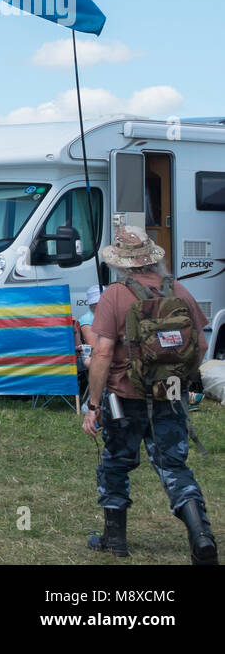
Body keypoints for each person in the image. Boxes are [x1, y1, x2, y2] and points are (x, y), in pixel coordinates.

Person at [83, 225, 216, 564]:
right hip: (170, 396)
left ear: (123, 264)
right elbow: (200, 345)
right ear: (152, 260)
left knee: (115, 465)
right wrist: (178, 380)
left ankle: (115, 540)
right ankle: (201, 537)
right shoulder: (179, 291)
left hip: (124, 396)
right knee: (174, 466)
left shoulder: (115, 294)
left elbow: (101, 353)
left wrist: (93, 404)